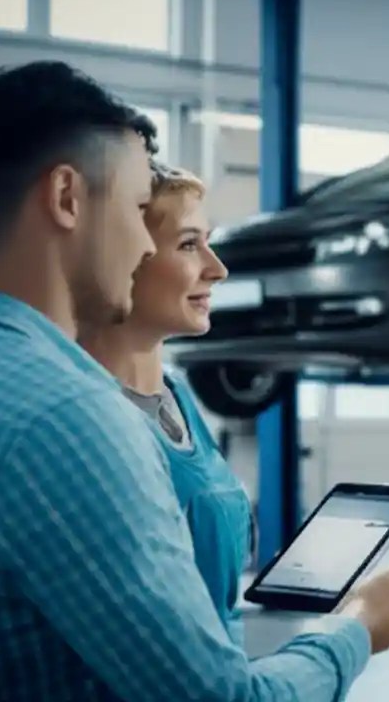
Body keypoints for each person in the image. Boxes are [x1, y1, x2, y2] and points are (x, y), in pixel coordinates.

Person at [0, 60, 389, 702]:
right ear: (66, 198)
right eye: (139, 209)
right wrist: (361, 627)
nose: (143, 244)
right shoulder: (71, 418)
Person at [76, 162, 249, 646]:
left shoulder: (179, 395)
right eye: (189, 244)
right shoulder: (82, 421)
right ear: (122, 256)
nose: (217, 269)